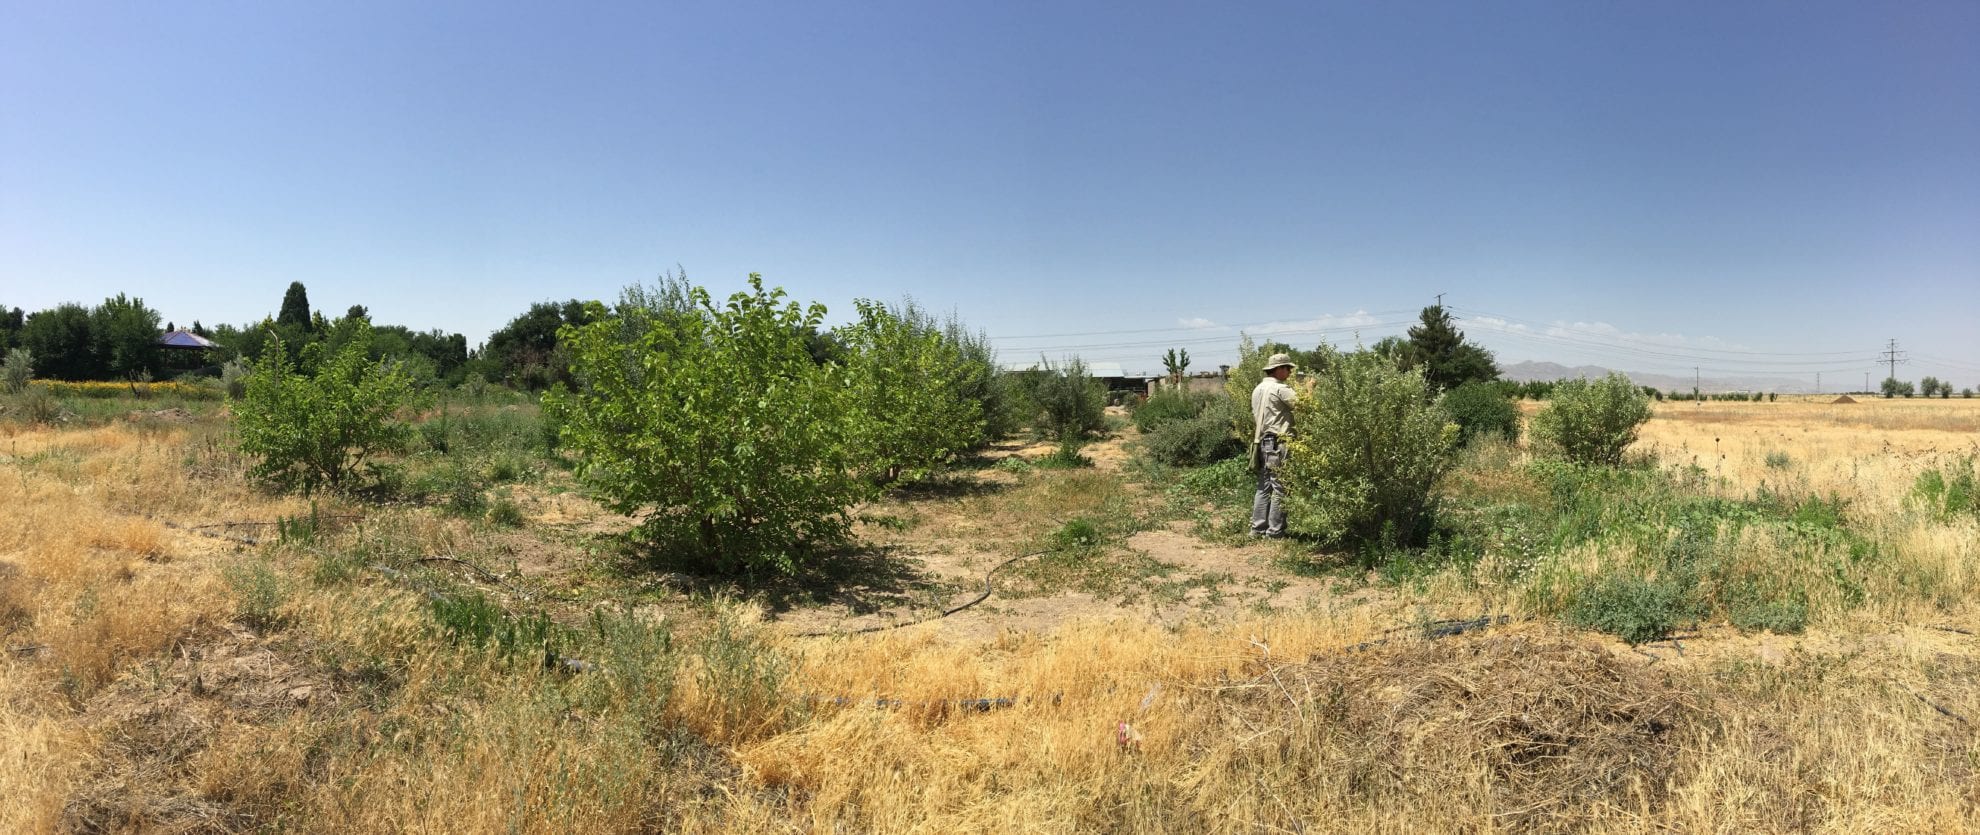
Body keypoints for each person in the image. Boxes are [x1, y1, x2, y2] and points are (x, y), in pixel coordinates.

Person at [1249, 353, 1297, 538]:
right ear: (1278, 369)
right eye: (1287, 368)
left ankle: (1258, 528)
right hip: (1278, 442)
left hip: (1263, 441)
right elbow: (1303, 405)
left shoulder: (1258, 389)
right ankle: (1275, 531)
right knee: (1281, 487)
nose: (1290, 372)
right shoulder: (1280, 389)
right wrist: (1310, 389)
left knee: (1264, 486)